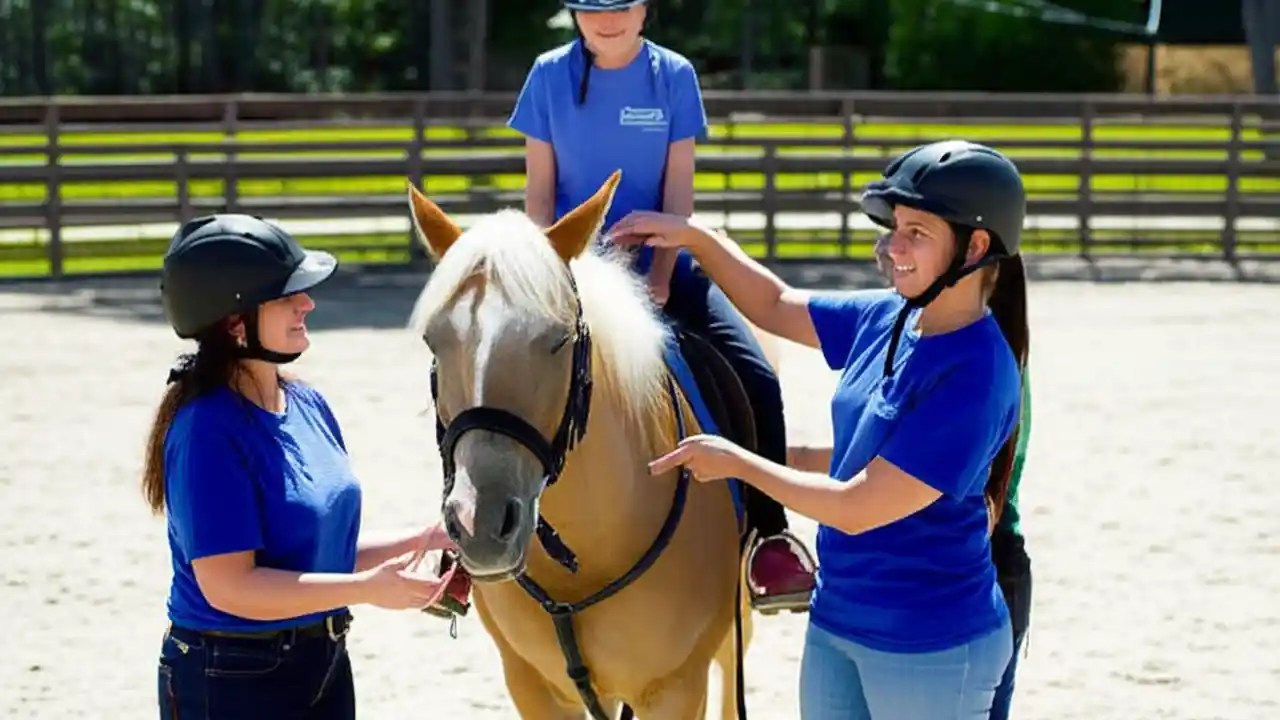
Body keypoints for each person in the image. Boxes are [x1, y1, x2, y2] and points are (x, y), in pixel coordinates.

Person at [607, 139, 1031, 719]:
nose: (893, 247)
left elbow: (859, 506)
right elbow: (777, 304)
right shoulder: (890, 317)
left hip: (930, 642)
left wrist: (737, 461)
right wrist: (697, 238)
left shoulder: (976, 371)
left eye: (917, 233)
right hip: (839, 620)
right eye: (895, 227)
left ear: (976, 246)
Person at [458, 0, 815, 614]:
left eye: (621, 5)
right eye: (592, 8)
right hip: (568, 272)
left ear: (645, 9)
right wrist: (545, 278)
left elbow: (679, 188)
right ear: (573, 14)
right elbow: (539, 195)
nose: (607, 19)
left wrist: (662, 272)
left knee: (754, 375)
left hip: (665, 261)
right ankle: (459, 534)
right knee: (477, 376)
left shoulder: (673, 76)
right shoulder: (548, 75)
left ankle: (768, 535)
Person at [144, 214, 458, 719]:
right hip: (230, 674)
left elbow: (310, 557)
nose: (307, 303)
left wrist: (427, 538)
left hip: (323, 659)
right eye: (287, 295)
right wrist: (369, 590)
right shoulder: (207, 430)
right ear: (234, 320)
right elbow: (231, 586)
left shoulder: (307, 405)